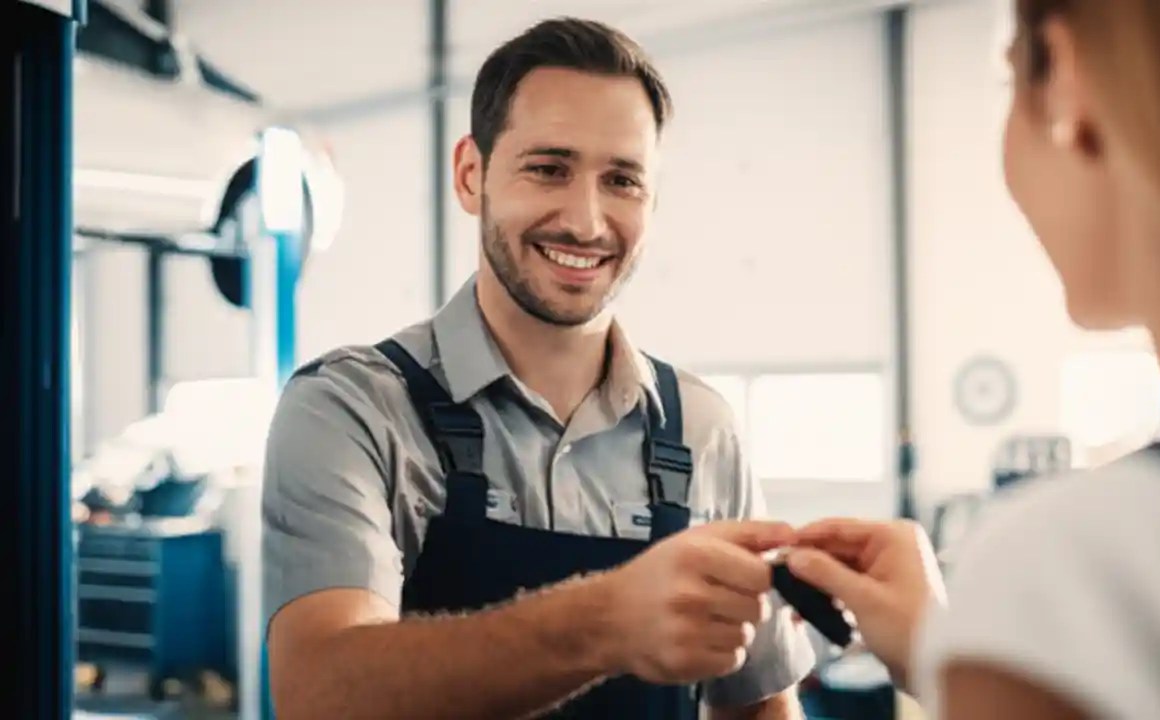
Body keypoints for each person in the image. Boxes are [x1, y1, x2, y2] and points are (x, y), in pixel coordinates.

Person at [261, 17, 815, 720]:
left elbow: (760, 705)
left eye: (622, 180)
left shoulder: (702, 430)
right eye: (549, 168)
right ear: (471, 175)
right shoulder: (353, 409)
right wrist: (607, 620)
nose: (586, 221)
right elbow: (321, 692)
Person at [784, 1, 1160, 718]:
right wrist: (954, 651)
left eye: (1006, 82)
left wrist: (1015, 639)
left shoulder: (1084, 569)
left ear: (1069, 84)